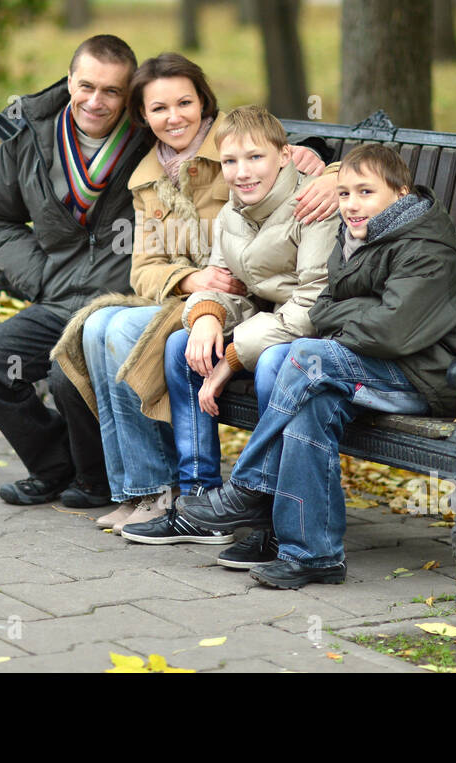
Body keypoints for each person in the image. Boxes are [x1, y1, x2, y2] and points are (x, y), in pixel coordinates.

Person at [173, 143, 456, 587]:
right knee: (313, 404)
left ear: (401, 193)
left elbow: (390, 332)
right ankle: (314, 556)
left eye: (365, 192)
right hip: (387, 367)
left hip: (442, 377)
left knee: (307, 355)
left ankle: (250, 485)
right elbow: (324, 310)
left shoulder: (426, 250)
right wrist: (366, 309)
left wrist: (358, 313)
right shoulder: (355, 243)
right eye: (344, 193)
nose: (351, 204)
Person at [51, 56, 339, 530]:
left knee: (120, 327)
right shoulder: (147, 177)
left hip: (253, 305)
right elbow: (143, 269)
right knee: (98, 325)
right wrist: (191, 282)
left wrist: (330, 171)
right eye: (159, 108)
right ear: (143, 116)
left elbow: (301, 161)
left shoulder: (231, 146)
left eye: (185, 102)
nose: (175, 116)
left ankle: (167, 491)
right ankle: (139, 490)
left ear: (203, 102)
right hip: (203, 297)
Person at [121, 105, 340, 545]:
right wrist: (207, 316)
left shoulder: (315, 207)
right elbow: (230, 287)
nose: (242, 172)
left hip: (321, 337)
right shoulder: (233, 214)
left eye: (255, 158)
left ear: (284, 155)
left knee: (272, 363)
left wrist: (235, 353)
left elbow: (315, 305)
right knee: (181, 345)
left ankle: (267, 513)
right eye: (230, 161)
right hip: (273, 324)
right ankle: (198, 502)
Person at [0, 35, 149, 506]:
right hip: (58, 299)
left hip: (122, 306)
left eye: (111, 92)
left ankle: (96, 479)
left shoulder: (153, 136)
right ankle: (55, 465)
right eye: (86, 86)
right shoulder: (28, 135)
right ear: (69, 81)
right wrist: (39, 277)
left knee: (69, 372)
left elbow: (224, 143)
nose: (95, 101)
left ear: (129, 96)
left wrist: (314, 160)